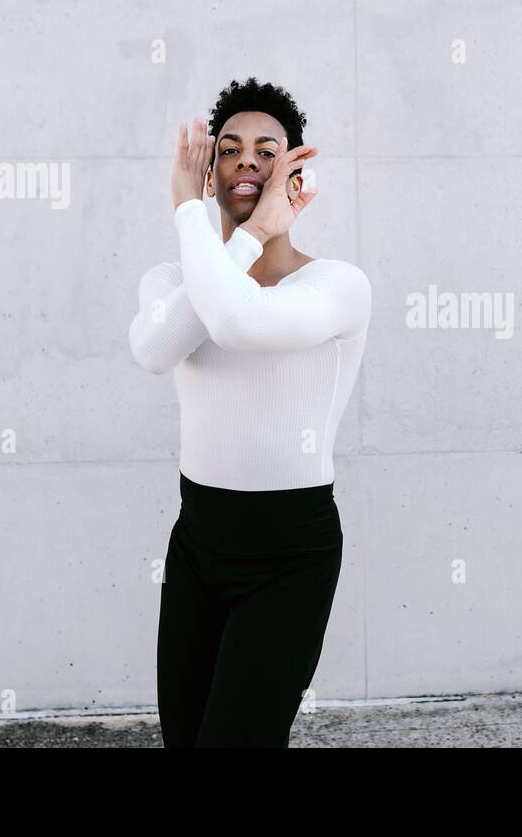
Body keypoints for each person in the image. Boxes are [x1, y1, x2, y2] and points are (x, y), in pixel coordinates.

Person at [128, 77, 371, 746]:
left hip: (289, 554)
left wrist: (196, 217)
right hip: (198, 543)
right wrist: (241, 234)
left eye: (267, 150)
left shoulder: (337, 286)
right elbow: (154, 348)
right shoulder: (173, 284)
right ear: (210, 172)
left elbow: (236, 319)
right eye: (228, 149)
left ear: (296, 172)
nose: (246, 161)